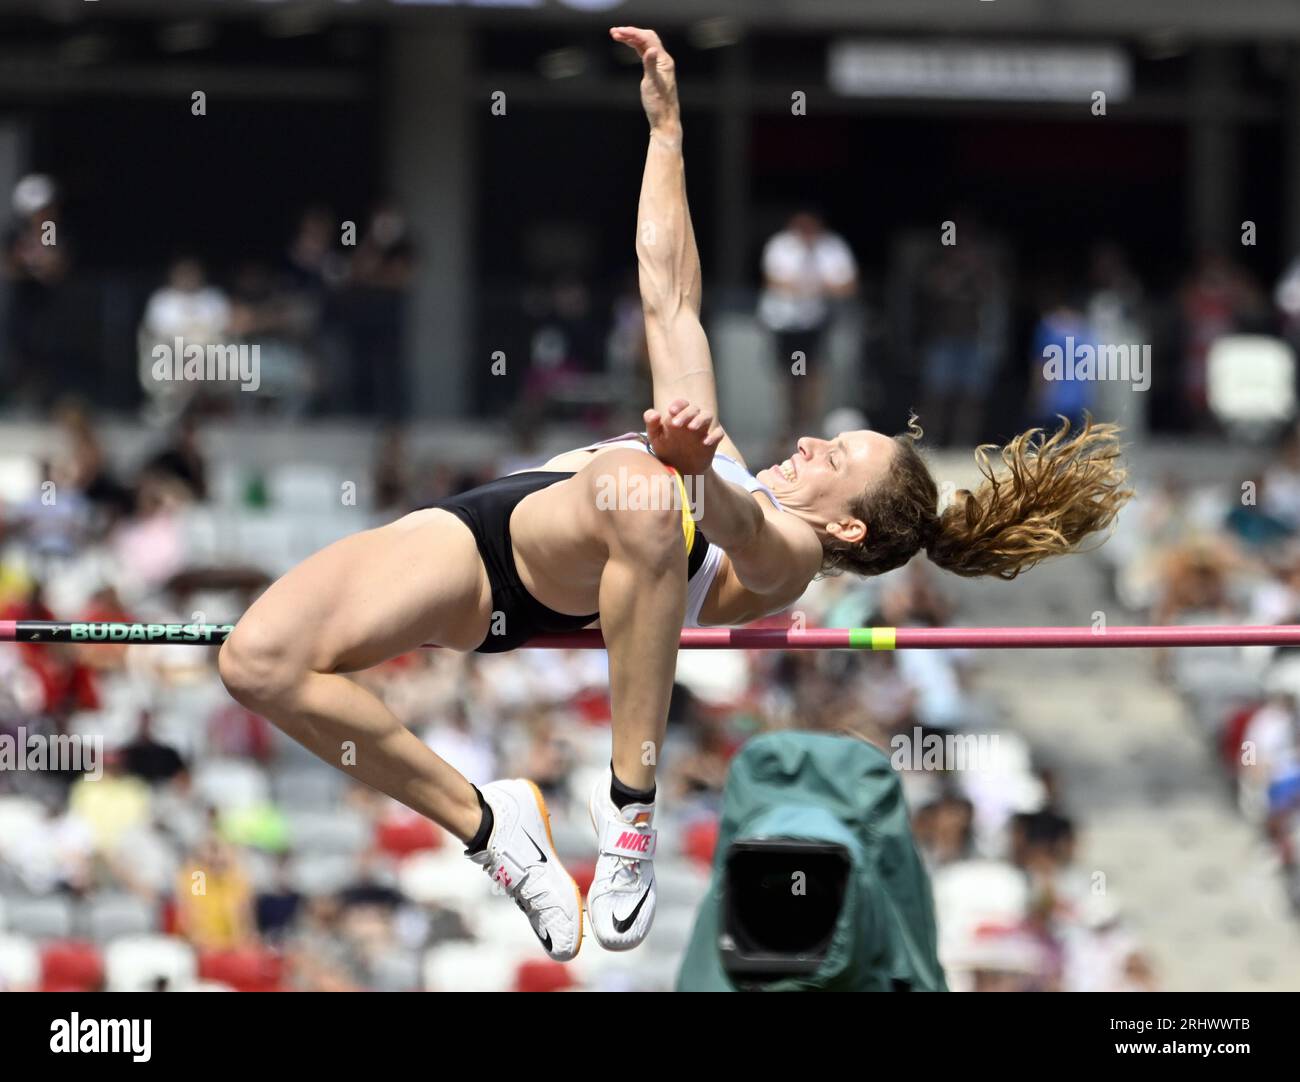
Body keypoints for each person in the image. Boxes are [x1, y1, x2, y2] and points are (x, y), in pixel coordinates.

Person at [218, 26, 1132, 964]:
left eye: (835, 456)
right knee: (257, 662)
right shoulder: (720, 455)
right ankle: (492, 827)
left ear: (847, 520)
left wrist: (695, 471)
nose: (810, 440)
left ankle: (630, 821)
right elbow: (670, 295)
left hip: (562, 566)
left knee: (652, 495)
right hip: (481, 536)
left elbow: (735, 523)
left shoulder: (788, 563)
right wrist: (666, 133)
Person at [758, 210, 858, 439]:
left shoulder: (831, 247)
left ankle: (810, 425)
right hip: (784, 324)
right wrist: (807, 287)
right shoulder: (781, 245)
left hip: (814, 324)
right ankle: (788, 428)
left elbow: (848, 284)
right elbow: (772, 280)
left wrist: (815, 287)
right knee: (788, 378)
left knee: (813, 376)